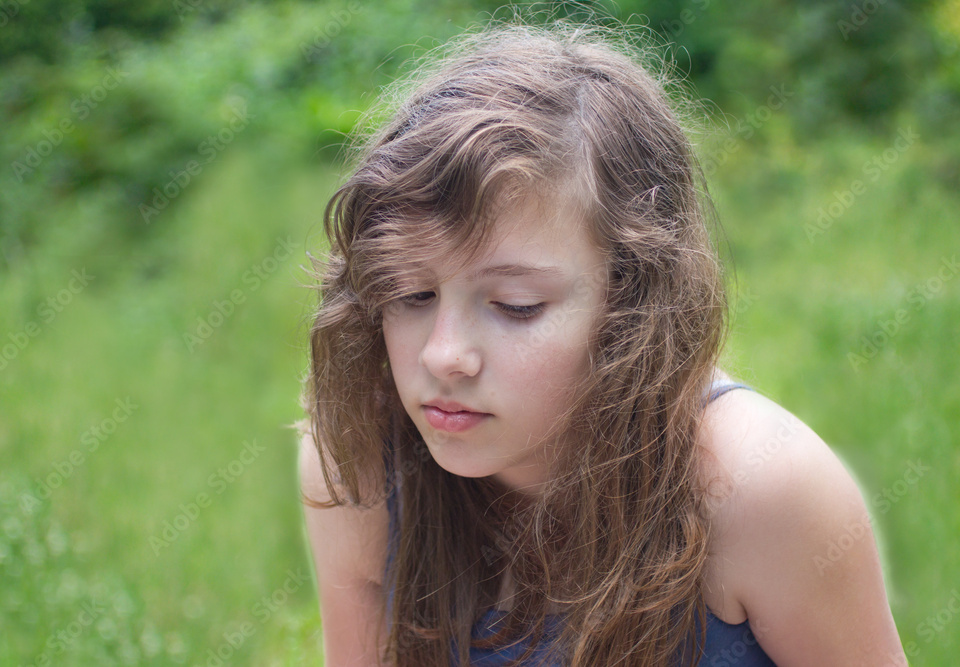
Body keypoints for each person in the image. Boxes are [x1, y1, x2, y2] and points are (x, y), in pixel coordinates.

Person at [297, 18, 906, 667]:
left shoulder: (765, 489)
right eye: (411, 294)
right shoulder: (362, 459)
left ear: (630, 302)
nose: (444, 355)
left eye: (515, 306)